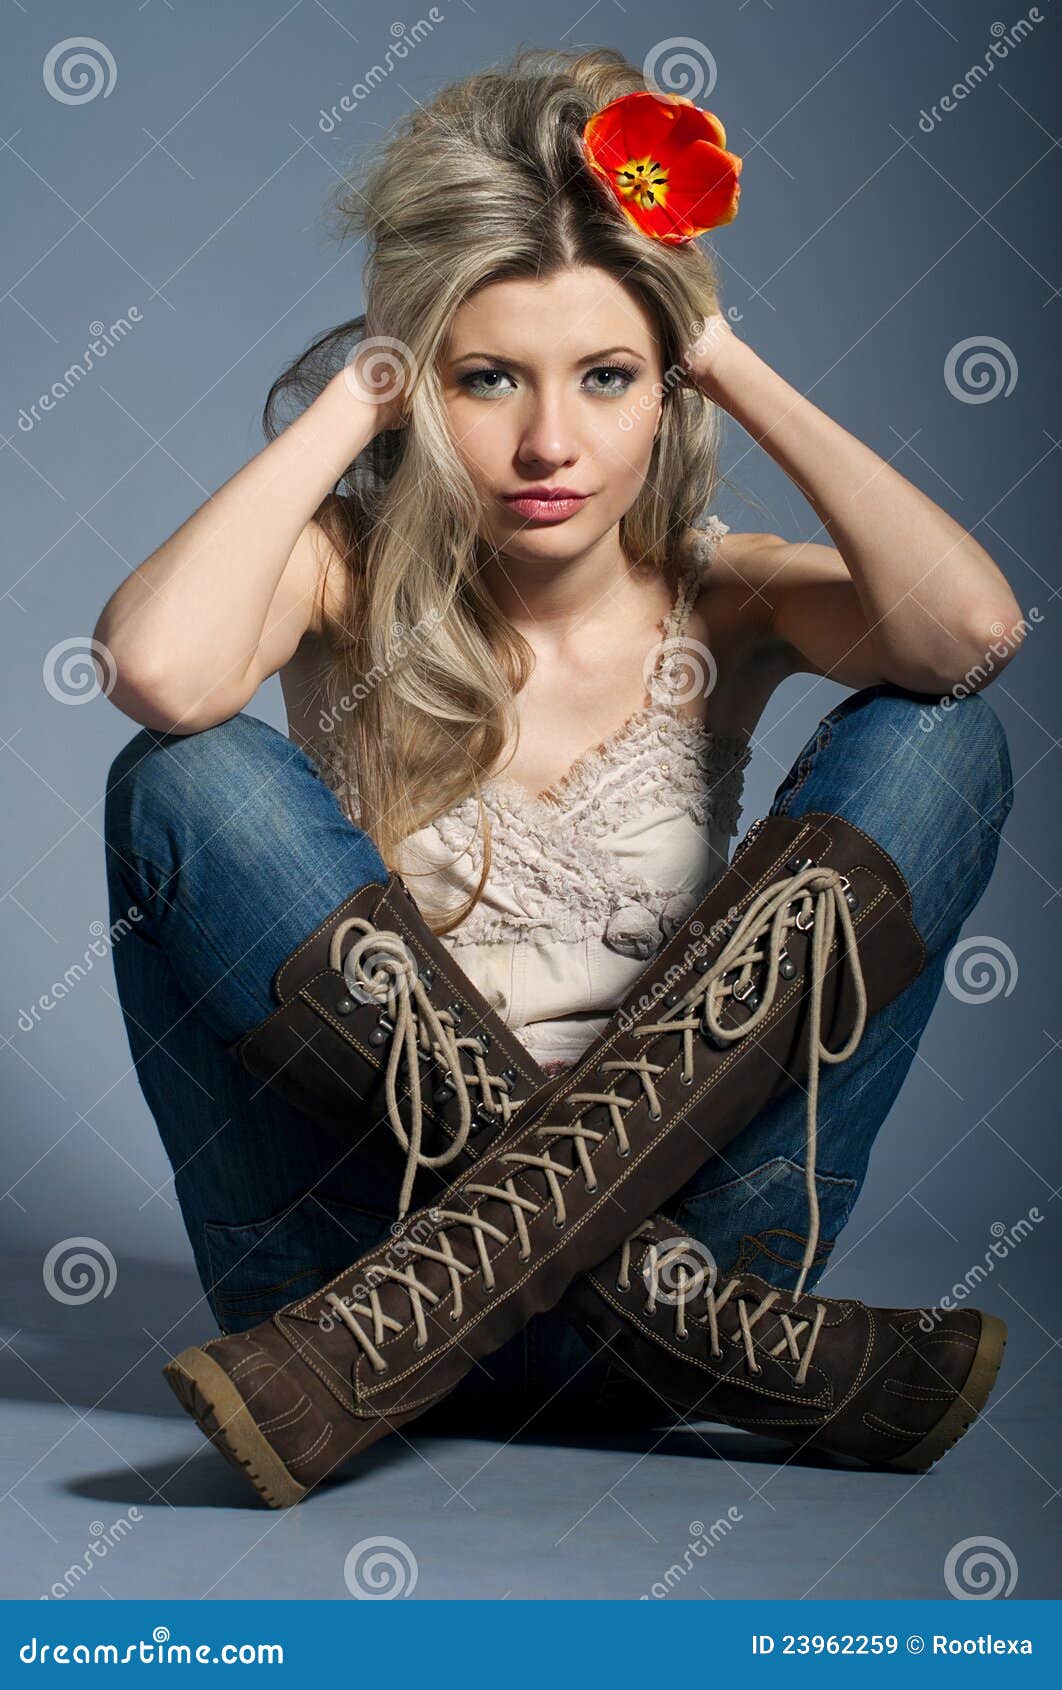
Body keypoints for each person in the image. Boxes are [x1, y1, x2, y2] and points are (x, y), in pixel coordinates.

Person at [96, 47, 1021, 1495]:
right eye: (485, 378)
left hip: (519, 1317)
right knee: (179, 779)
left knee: (943, 733)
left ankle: (630, 1301)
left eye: (605, 376)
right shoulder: (341, 576)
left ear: (666, 388)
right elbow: (154, 668)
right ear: (421, 381)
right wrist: (359, 393)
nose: (547, 440)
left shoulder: (728, 595)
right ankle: (691, 1335)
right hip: (357, 1278)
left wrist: (717, 346)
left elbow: (970, 637)